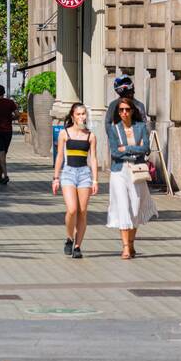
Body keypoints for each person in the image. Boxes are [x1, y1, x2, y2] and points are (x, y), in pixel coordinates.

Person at [106, 96, 157, 258]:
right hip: (119, 172)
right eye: (121, 110)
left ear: (132, 111)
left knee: (135, 207)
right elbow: (114, 152)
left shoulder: (141, 127)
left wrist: (126, 148)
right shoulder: (114, 129)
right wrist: (135, 148)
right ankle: (125, 247)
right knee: (123, 206)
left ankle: (132, 243)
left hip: (136, 171)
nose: (124, 113)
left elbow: (146, 149)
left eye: (127, 110)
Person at [52, 103, 99, 257]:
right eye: (78, 114)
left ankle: (78, 246)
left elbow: (93, 159)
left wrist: (95, 180)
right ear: (72, 116)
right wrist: (56, 178)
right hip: (68, 173)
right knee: (72, 209)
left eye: (83, 113)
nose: (81, 117)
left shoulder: (90, 136)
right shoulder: (65, 133)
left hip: (84, 174)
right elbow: (59, 156)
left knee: (83, 211)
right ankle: (69, 238)